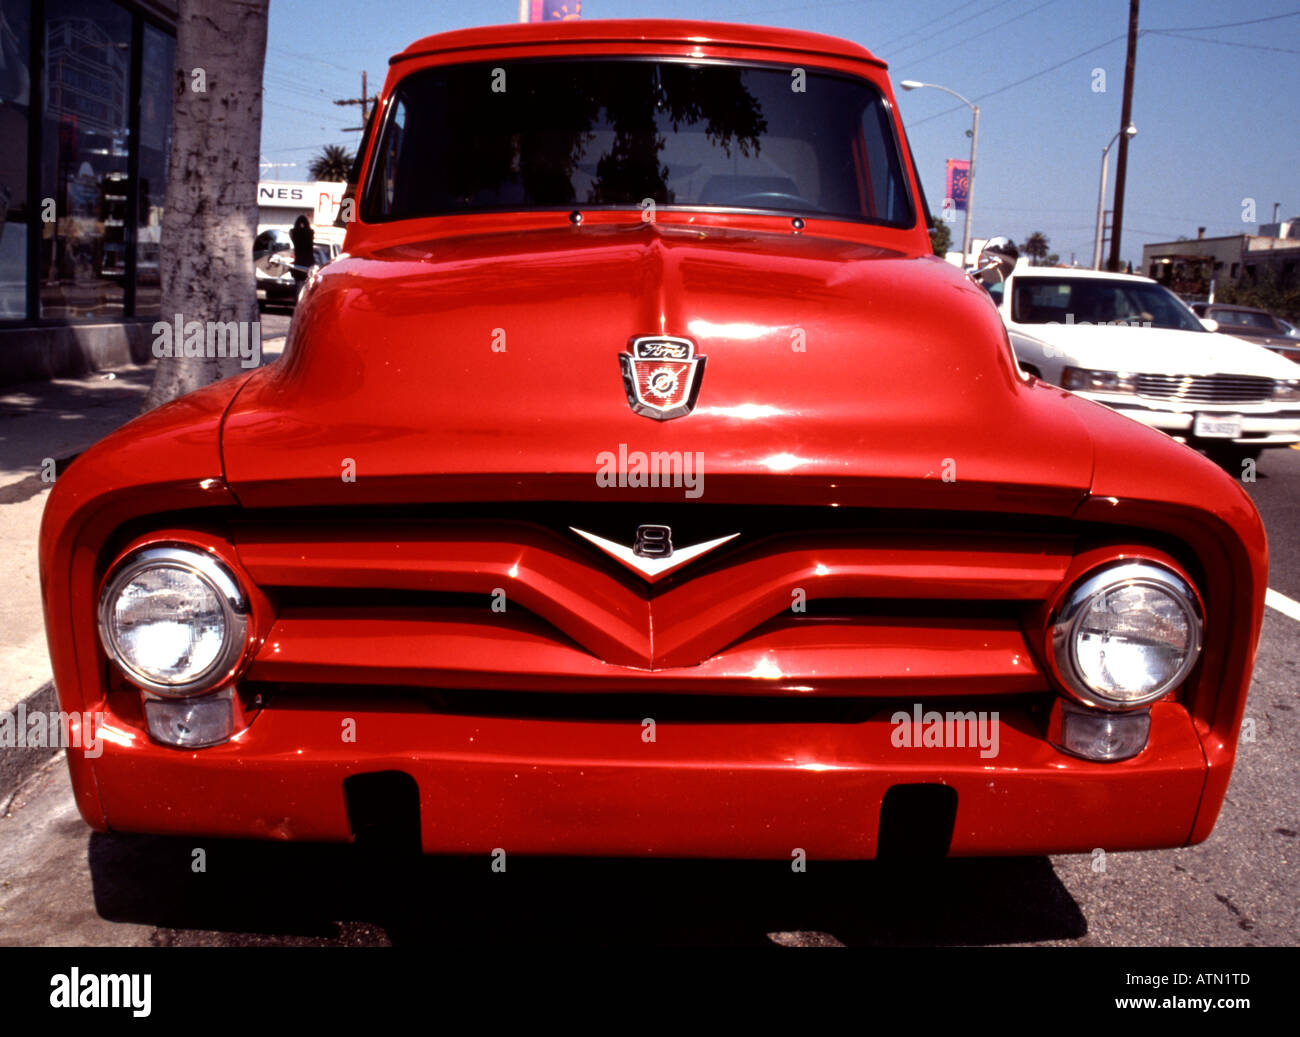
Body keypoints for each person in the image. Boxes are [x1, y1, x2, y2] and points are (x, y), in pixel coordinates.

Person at [289, 215, 314, 284]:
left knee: (297, 283)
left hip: (297, 261)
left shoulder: (294, 233)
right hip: (308, 261)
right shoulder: (310, 233)